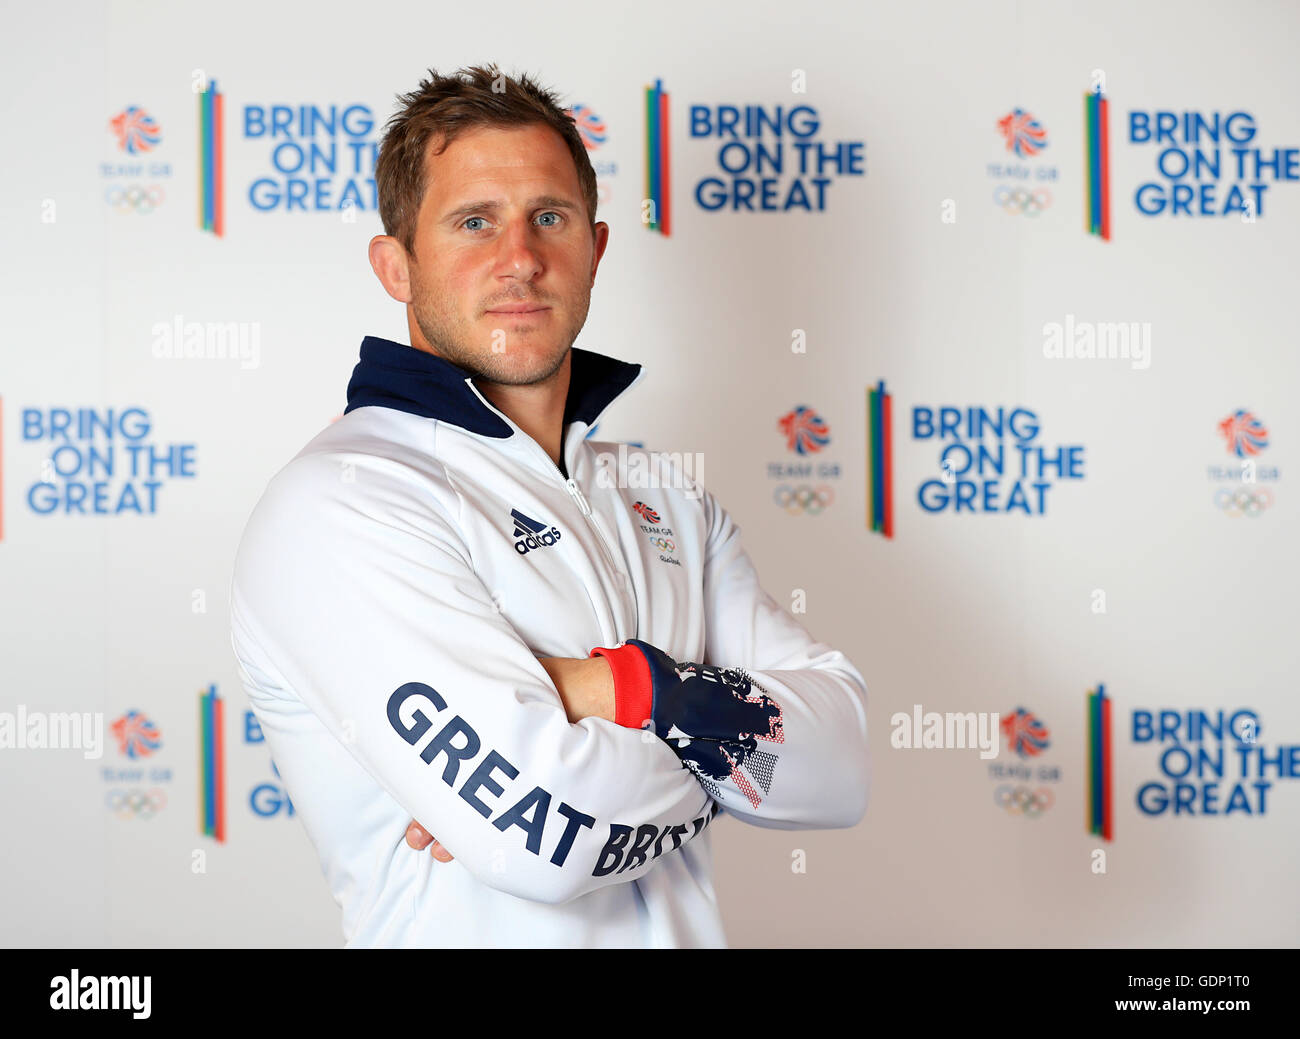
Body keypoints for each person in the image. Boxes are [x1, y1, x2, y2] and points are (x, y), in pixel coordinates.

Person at [229, 63, 870, 948]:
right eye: (473, 222)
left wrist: (628, 690)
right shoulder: (340, 503)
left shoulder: (668, 498)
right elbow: (551, 841)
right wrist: (732, 754)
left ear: (596, 247)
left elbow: (841, 766)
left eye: (549, 217)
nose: (520, 257)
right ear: (396, 264)